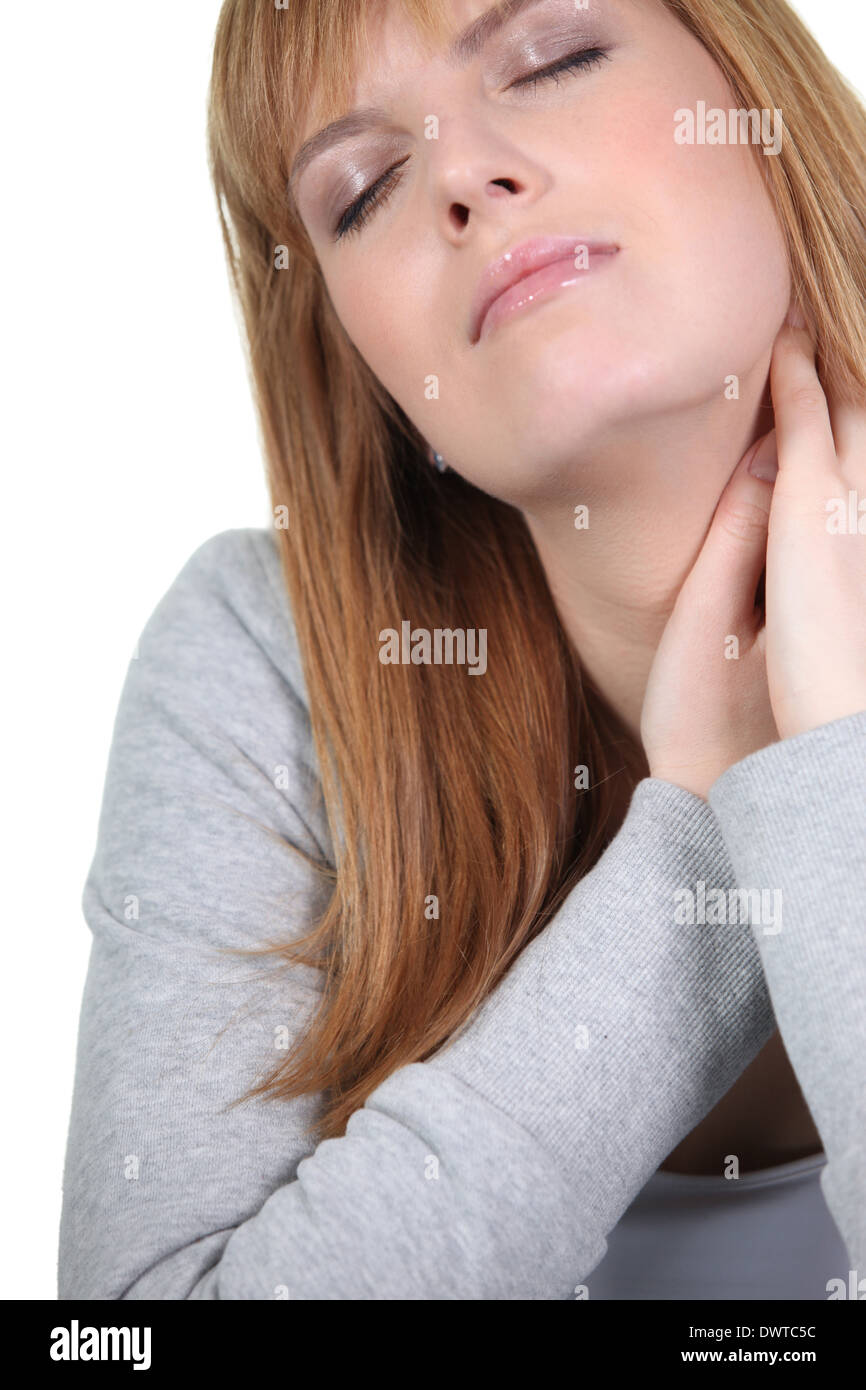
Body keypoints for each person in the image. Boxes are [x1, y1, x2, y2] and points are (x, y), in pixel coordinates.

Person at [58, 0, 866, 1300]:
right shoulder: (271, 666)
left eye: (550, 58)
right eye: (363, 185)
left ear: (752, 89)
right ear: (356, 361)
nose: (456, 176)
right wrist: (700, 848)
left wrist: (830, 777)